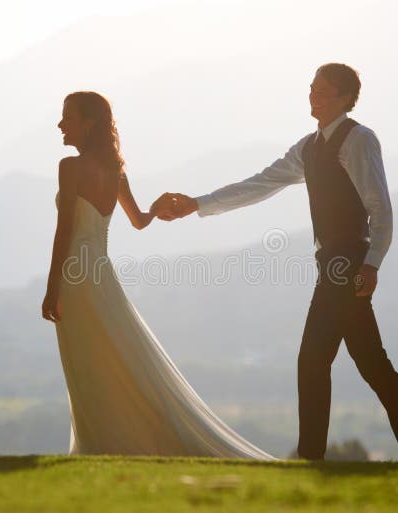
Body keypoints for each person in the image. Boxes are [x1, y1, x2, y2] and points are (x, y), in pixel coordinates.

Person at [151, 63, 398, 462]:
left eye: (322, 91)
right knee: (373, 366)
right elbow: (259, 184)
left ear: (345, 97)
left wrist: (372, 263)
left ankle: (312, 458)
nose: (313, 95)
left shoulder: (359, 140)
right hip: (331, 263)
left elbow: (380, 207)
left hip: (347, 262)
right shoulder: (308, 148)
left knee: (314, 359)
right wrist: (197, 204)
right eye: (311, 89)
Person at [41, 91, 273, 459]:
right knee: (112, 358)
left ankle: (98, 444)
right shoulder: (116, 171)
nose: (60, 124)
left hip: (75, 275)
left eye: (67, 117)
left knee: (88, 363)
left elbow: (64, 231)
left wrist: (52, 288)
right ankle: (109, 442)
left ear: (89, 124)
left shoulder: (69, 168)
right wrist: (155, 209)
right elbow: (138, 221)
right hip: (101, 273)